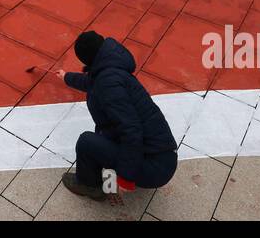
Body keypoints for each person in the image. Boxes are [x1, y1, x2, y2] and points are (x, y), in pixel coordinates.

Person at [58, 31, 178, 201]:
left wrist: (125, 178)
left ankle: (88, 185)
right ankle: (130, 166)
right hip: (161, 154)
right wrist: (66, 77)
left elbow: (132, 130)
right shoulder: (112, 67)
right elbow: (91, 82)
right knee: (104, 134)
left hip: (156, 167)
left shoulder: (107, 84)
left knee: (86, 142)